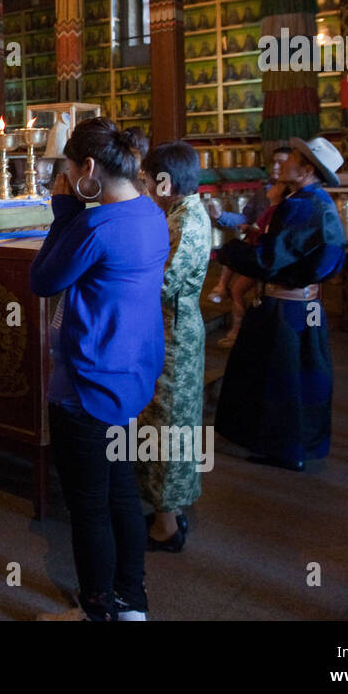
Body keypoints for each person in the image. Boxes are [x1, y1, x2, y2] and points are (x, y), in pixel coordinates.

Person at [29, 117, 169, 621]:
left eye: (69, 170)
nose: (67, 178)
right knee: (121, 494)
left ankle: (96, 610)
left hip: (87, 384)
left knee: (88, 507)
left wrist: (65, 212)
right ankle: (131, 603)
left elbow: (43, 280)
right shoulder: (152, 213)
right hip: (131, 377)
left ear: (88, 167)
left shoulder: (96, 225)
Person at [213, 136, 346, 472]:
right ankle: (298, 445)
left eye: (293, 158)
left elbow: (268, 259)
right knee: (303, 373)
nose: (284, 163)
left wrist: (226, 252)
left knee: (282, 377)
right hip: (307, 303)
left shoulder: (301, 206)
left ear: (307, 169)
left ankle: (284, 449)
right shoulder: (319, 202)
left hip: (286, 308)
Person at [137, 141, 212, 552]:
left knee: (167, 424)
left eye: (148, 181)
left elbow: (165, 285)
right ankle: (170, 510)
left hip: (174, 333)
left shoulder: (186, 221)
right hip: (172, 329)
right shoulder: (184, 213)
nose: (147, 189)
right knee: (167, 421)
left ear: (165, 182)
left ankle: (167, 524)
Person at [206, 146, 291, 348]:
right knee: (236, 258)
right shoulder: (264, 191)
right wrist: (221, 216)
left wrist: (258, 232)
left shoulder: (293, 197)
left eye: (281, 162)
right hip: (257, 247)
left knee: (242, 285)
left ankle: (240, 329)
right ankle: (237, 328)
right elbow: (246, 217)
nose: (276, 166)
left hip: (275, 256)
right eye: (274, 162)